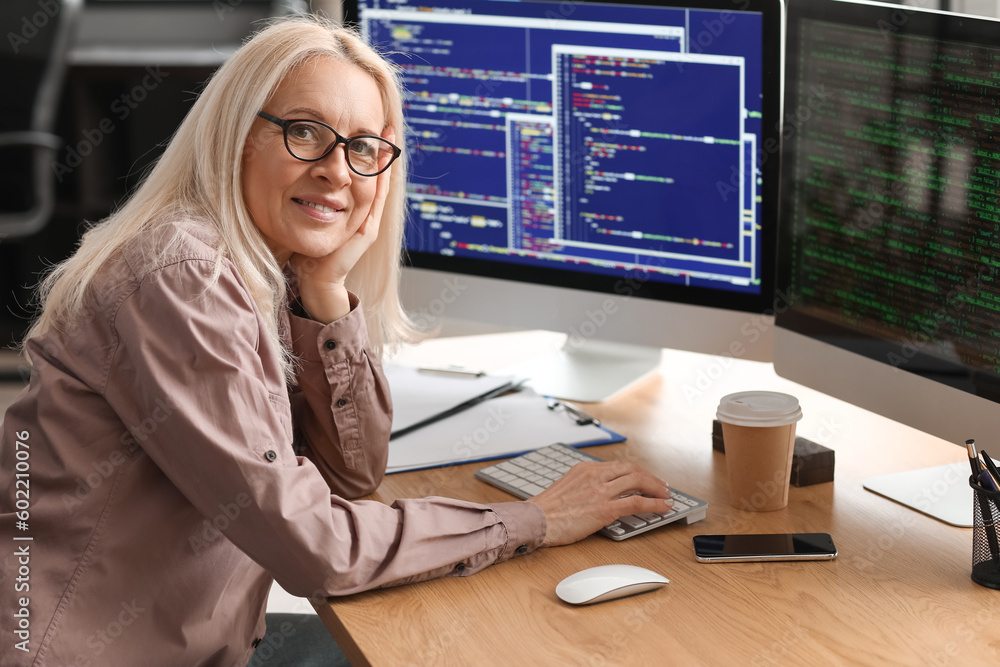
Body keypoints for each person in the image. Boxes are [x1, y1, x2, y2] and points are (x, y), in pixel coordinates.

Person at [0, 15, 673, 666]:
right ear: (237, 136)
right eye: (304, 132)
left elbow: (351, 477)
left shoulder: (261, 270)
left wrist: (325, 290)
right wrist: (531, 520)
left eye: (361, 149)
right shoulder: (184, 273)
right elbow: (316, 546)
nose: (338, 171)